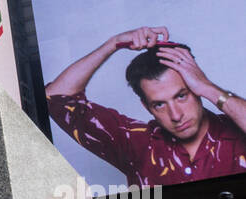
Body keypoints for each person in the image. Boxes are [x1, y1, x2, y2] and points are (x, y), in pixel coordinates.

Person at [45, 27, 246, 188]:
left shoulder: (237, 129)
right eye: (159, 104)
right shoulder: (136, 142)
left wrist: (209, 88)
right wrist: (112, 44)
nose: (175, 115)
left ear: (196, 89)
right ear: (146, 106)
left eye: (181, 96)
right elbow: (56, 97)